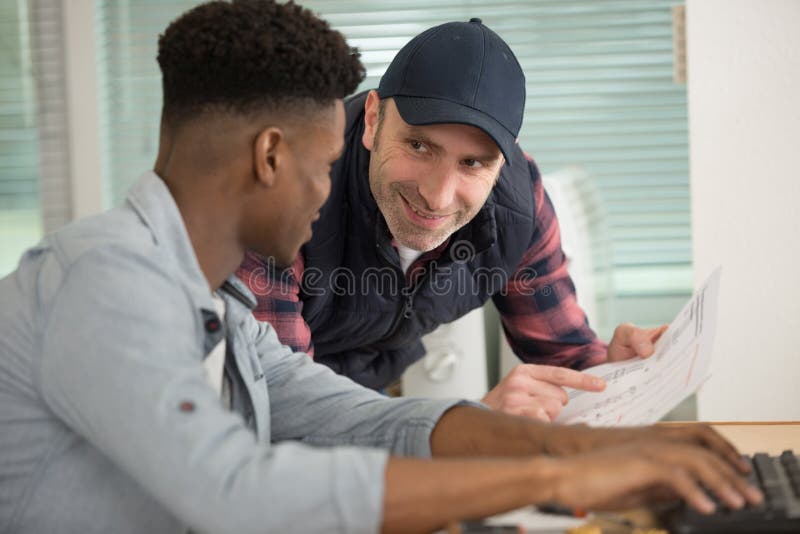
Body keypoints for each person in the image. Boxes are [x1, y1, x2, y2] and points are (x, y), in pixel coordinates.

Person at [0, 1, 761, 533]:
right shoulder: (104, 279)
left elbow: (369, 418)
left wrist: (592, 447)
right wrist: (557, 478)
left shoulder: (213, 306)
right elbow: (235, 488)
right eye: (330, 163)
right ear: (272, 157)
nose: (333, 191)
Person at [236, 17, 670, 421]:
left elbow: (564, 354)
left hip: (366, 393)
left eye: (473, 164)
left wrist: (612, 370)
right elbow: (282, 407)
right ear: (373, 120)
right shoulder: (288, 189)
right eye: (419, 147)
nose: (437, 196)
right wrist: (464, 422)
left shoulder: (519, 203)